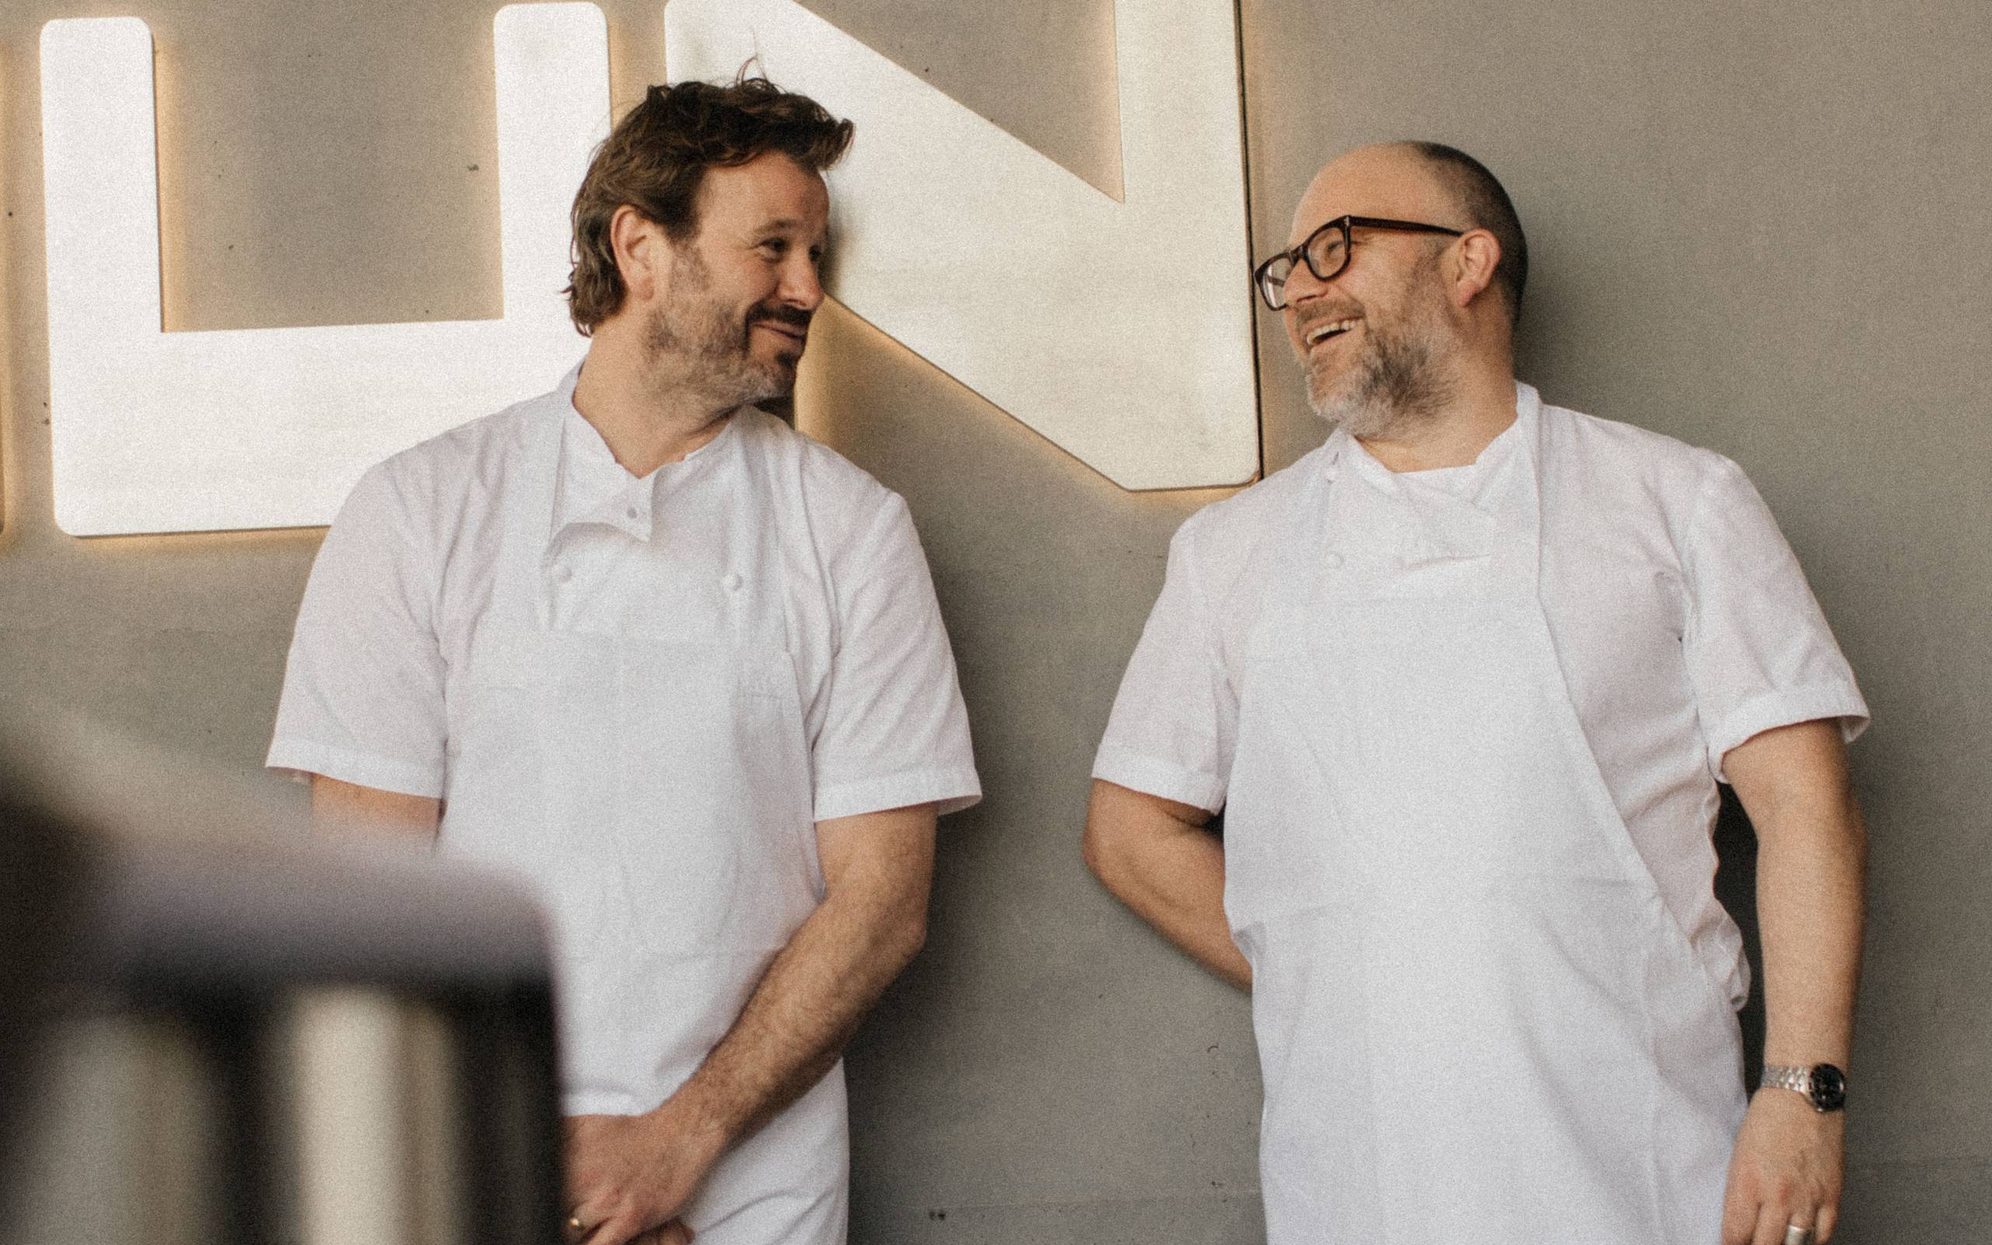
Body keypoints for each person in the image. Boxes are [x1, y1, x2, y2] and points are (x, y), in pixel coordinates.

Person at [1084, 141, 1867, 1245]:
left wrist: (1802, 1096)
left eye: (1334, 248)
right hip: (1356, 1183)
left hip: (1649, 1171)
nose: (1299, 288)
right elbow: (1131, 830)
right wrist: (1336, 953)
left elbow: (1805, 807)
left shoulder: (1676, 501)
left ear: (1468, 261)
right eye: (1286, 269)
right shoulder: (1231, 553)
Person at [269, 77, 980, 1245]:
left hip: (752, 1170)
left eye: (817, 252)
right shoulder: (420, 509)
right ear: (641, 247)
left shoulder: (852, 529)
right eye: (774, 246)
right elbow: (371, 899)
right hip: (479, 1163)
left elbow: (884, 901)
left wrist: (678, 1141)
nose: (809, 288)